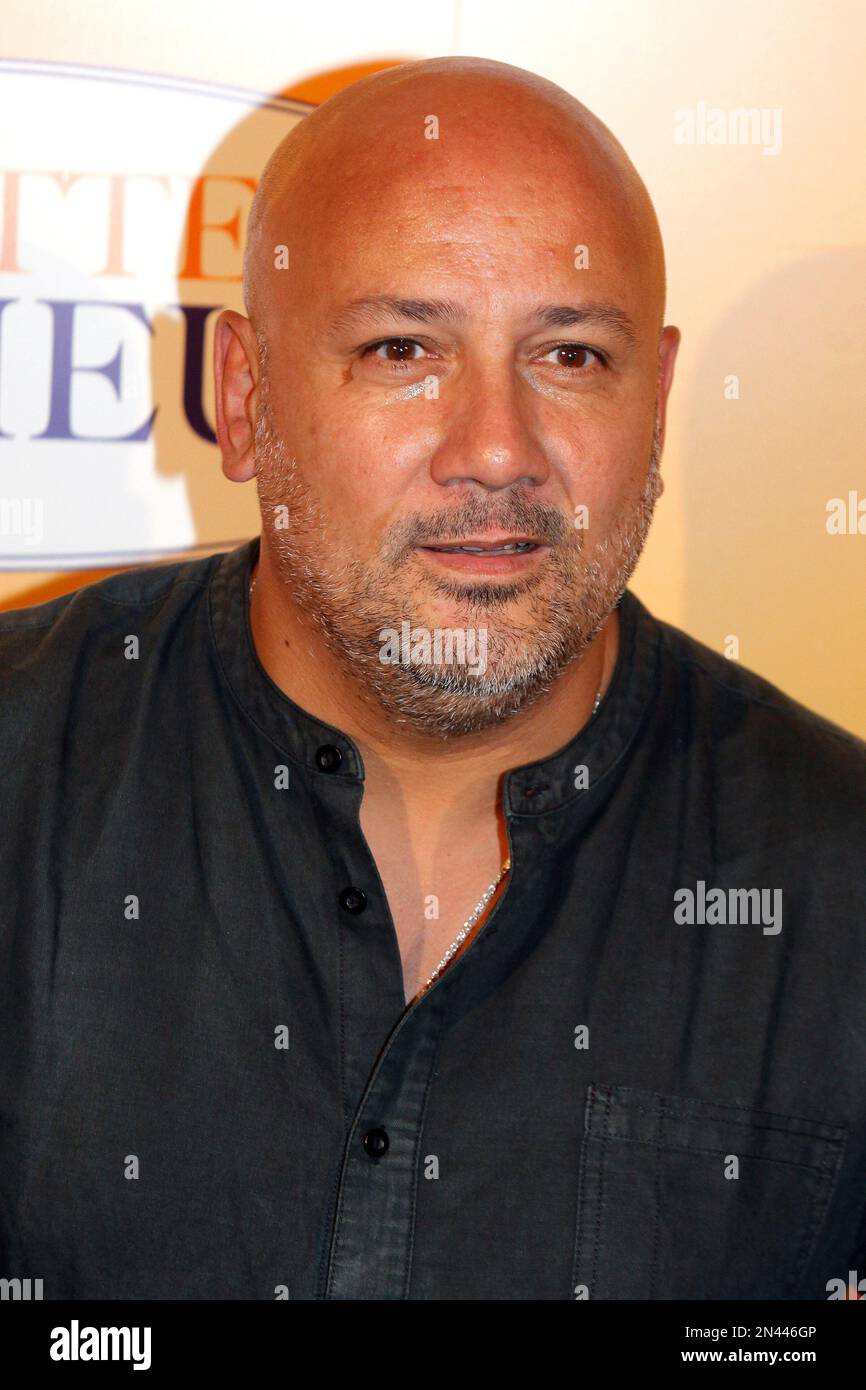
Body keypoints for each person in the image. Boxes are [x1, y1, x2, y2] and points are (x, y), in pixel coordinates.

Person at [1, 56, 864, 1302]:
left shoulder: (833, 882)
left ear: (659, 403)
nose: (496, 450)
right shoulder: (26, 772)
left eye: (569, 357)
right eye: (402, 348)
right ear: (242, 397)